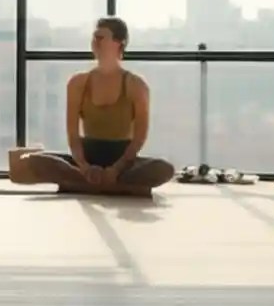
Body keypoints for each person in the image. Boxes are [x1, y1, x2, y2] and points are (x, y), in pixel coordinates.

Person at [12, 17, 175, 195]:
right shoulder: (78, 83)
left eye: (101, 38)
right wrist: (84, 167)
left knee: (164, 168)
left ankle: (86, 184)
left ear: (119, 43)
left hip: (122, 159)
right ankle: (106, 184)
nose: (95, 42)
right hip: (87, 157)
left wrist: (116, 169)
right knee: (31, 161)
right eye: (94, 37)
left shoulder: (136, 85)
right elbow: (73, 136)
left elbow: (139, 138)